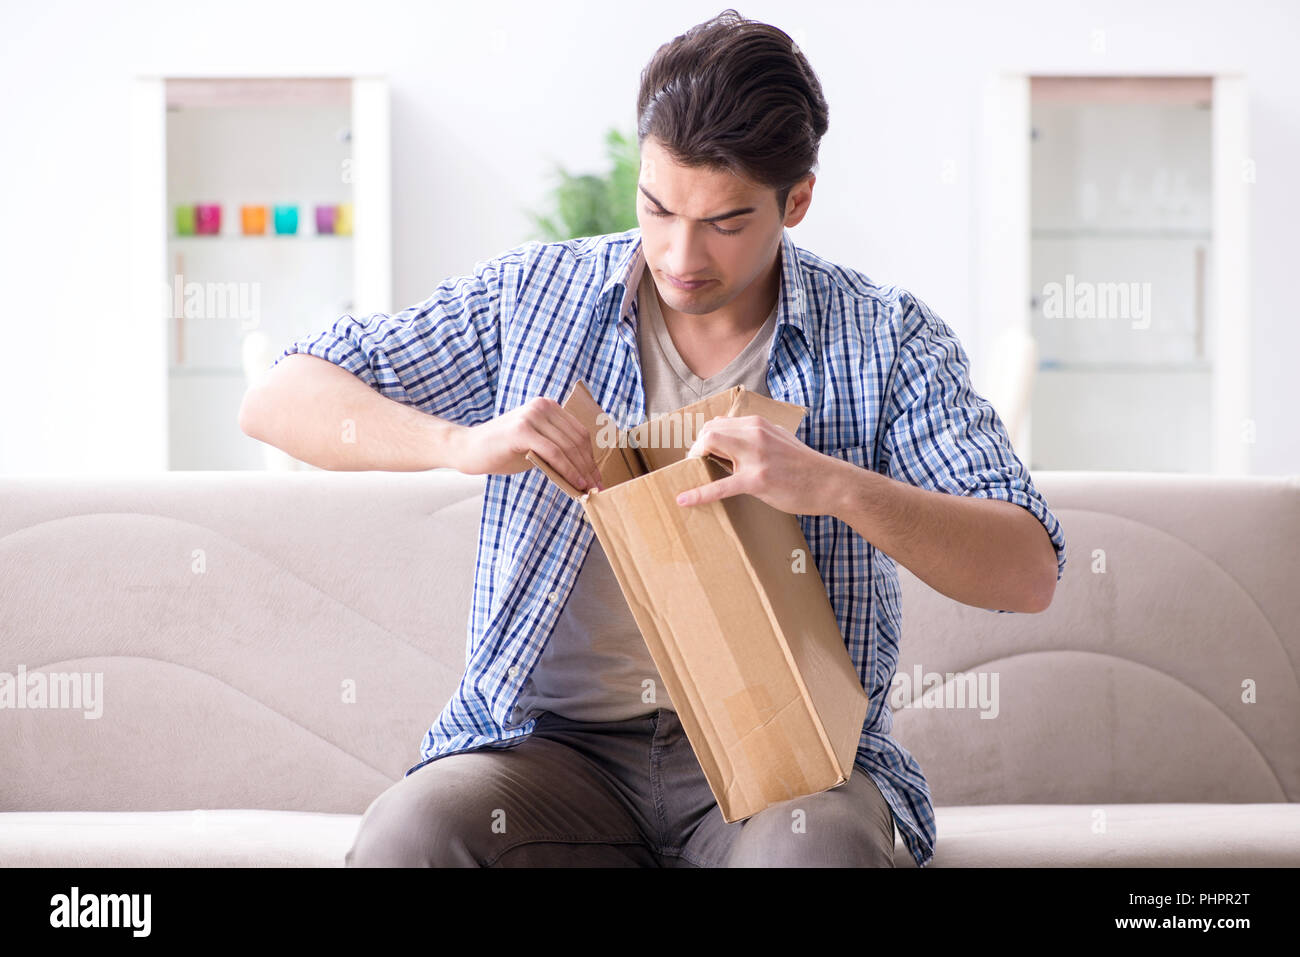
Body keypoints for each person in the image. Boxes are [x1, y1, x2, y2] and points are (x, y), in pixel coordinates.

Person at [239, 9, 1066, 868]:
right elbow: (280, 397)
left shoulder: (884, 337)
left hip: (788, 770)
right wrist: (461, 443)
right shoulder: (536, 297)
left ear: (798, 200)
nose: (679, 254)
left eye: (726, 222)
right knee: (413, 832)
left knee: (812, 853)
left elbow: (1028, 569)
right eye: (658, 207)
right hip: (554, 752)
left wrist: (832, 485)